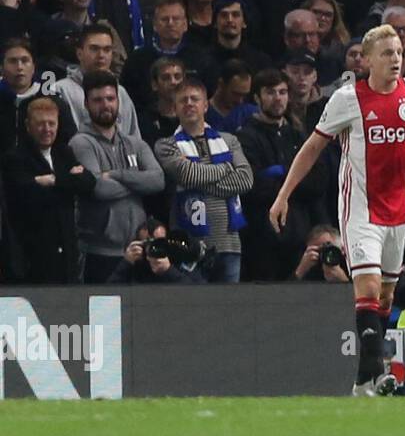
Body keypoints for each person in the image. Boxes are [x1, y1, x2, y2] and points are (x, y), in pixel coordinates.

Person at [270, 24, 405, 394]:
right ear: (367, 61)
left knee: (385, 297)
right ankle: (381, 371)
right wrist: (283, 194)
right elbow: (312, 148)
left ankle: (362, 383)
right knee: (367, 289)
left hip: (398, 212)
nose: (396, 59)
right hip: (360, 211)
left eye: (399, 52)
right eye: (387, 53)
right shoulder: (347, 99)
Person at [68, 70, 165, 283]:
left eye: (110, 99)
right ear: (86, 104)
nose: (105, 105)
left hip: (138, 247)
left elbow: (158, 180)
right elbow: (98, 189)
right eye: (98, 100)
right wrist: (139, 181)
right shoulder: (81, 143)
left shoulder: (135, 143)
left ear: (118, 101)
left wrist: (115, 175)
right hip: (99, 251)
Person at [154, 77, 254, 283]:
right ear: (175, 108)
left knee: (230, 311)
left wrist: (199, 177)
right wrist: (226, 168)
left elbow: (245, 179)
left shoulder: (229, 140)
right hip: (189, 245)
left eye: (194, 99)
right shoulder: (166, 145)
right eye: (183, 100)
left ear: (205, 105)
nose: (189, 103)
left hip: (229, 243)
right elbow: (188, 176)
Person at [238, 68, 330, 280]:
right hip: (263, 239)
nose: (278, 99)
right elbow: (253, 185)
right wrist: (296, 179)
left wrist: (281, 177)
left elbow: (319, 181)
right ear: (256, 97)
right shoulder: (246, 137)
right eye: (270, 92)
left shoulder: (298, 134)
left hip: (301, 235)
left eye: (282, 92)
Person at [1, 96, 95, 283]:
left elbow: (88, 182)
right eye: (40, 124)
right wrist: (68, 180)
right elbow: (27, 192)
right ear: (28, 125)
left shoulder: (64, 153)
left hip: (67, 253)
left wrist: (52, 181)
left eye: (51, 123)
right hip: (33, 255)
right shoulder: (15, 158)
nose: (47, 129)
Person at [54, 23, 141, 137]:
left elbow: (134, 139)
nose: (101, 55)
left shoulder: (121, 92)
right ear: (79, 53)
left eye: (107, 50)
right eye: (94, 49)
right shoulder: (60, 90)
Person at [106, 219, 205, 284]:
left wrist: (169, 271)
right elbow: (109, 295)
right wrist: (126, 263)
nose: (155, 248)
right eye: (148, 243)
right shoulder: (135, 265)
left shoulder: (177, 258)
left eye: (160, 242)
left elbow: (199, 293)